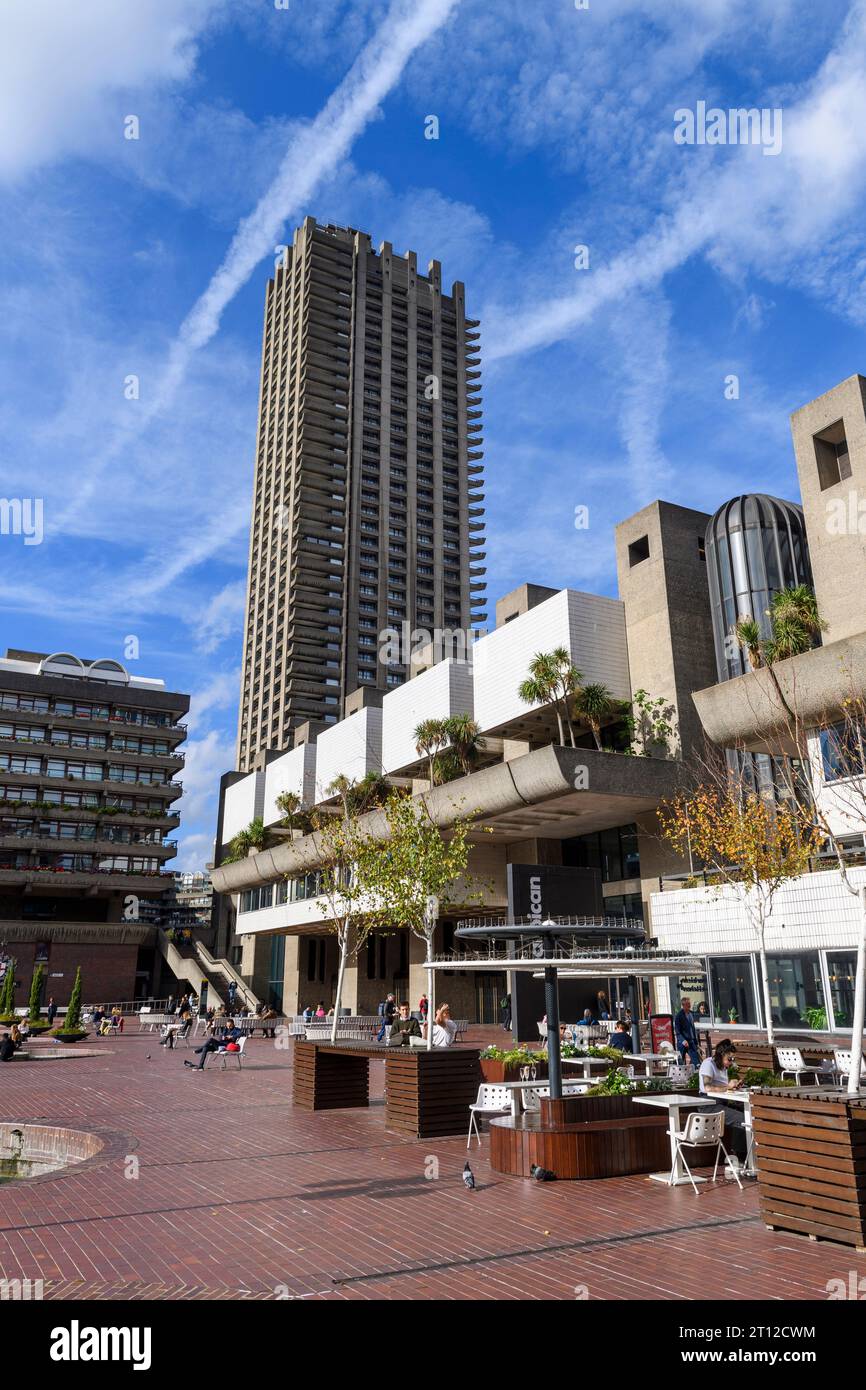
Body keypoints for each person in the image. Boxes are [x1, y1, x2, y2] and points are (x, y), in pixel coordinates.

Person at [698, 1039, 747, 1158]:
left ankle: (742, 1154)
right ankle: (739, 1156)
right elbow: (708, 1087)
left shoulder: (723, 1068)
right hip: (709, 1105)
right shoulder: (708, 1064)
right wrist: (728, 1087)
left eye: (733, 1059)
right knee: (744, 1119)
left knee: (747, 1113)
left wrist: (734, 1087)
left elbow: (723, 1088)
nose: (731, 1062)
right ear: (720, 1056)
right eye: (729, 1059)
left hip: (721, 1103)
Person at [674, 997, 701, 1070]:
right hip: (682, 1042)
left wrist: (695, 1041)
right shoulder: (679, 1016)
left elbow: (692, 1028)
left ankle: (695, 1074)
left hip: (691, 1041)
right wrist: (683, 1040)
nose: (689, 1006)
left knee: (696, 1060)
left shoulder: (691, 1014)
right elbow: (677, 1031)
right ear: (683, 1005)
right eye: (687, 1004)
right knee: (680, 1061)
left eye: (689, 1004)